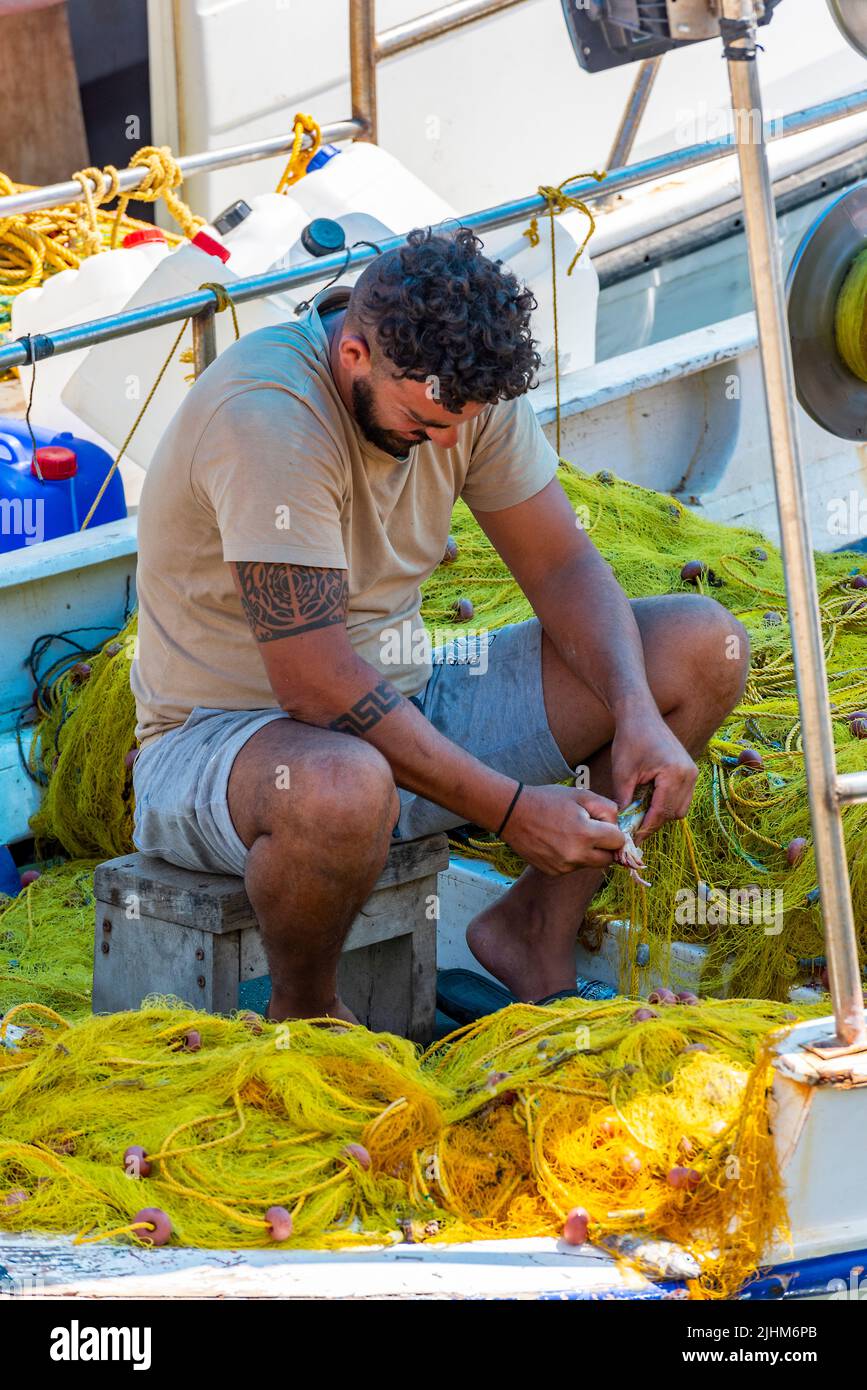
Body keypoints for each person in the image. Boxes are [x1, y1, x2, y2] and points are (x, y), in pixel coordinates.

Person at [131, 226, 748, 1023]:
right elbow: (316, 685)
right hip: (224, 748)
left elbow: (560, 568)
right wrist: (510, 810)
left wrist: (634, 716)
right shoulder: (269, 417)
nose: (451, 442)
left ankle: (532, 933)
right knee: (342, 786)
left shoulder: (457, 392)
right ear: (352, 353)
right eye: (427, 420)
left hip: (408, 703)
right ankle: (310, 1018)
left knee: (698, 648)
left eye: (465, 419)